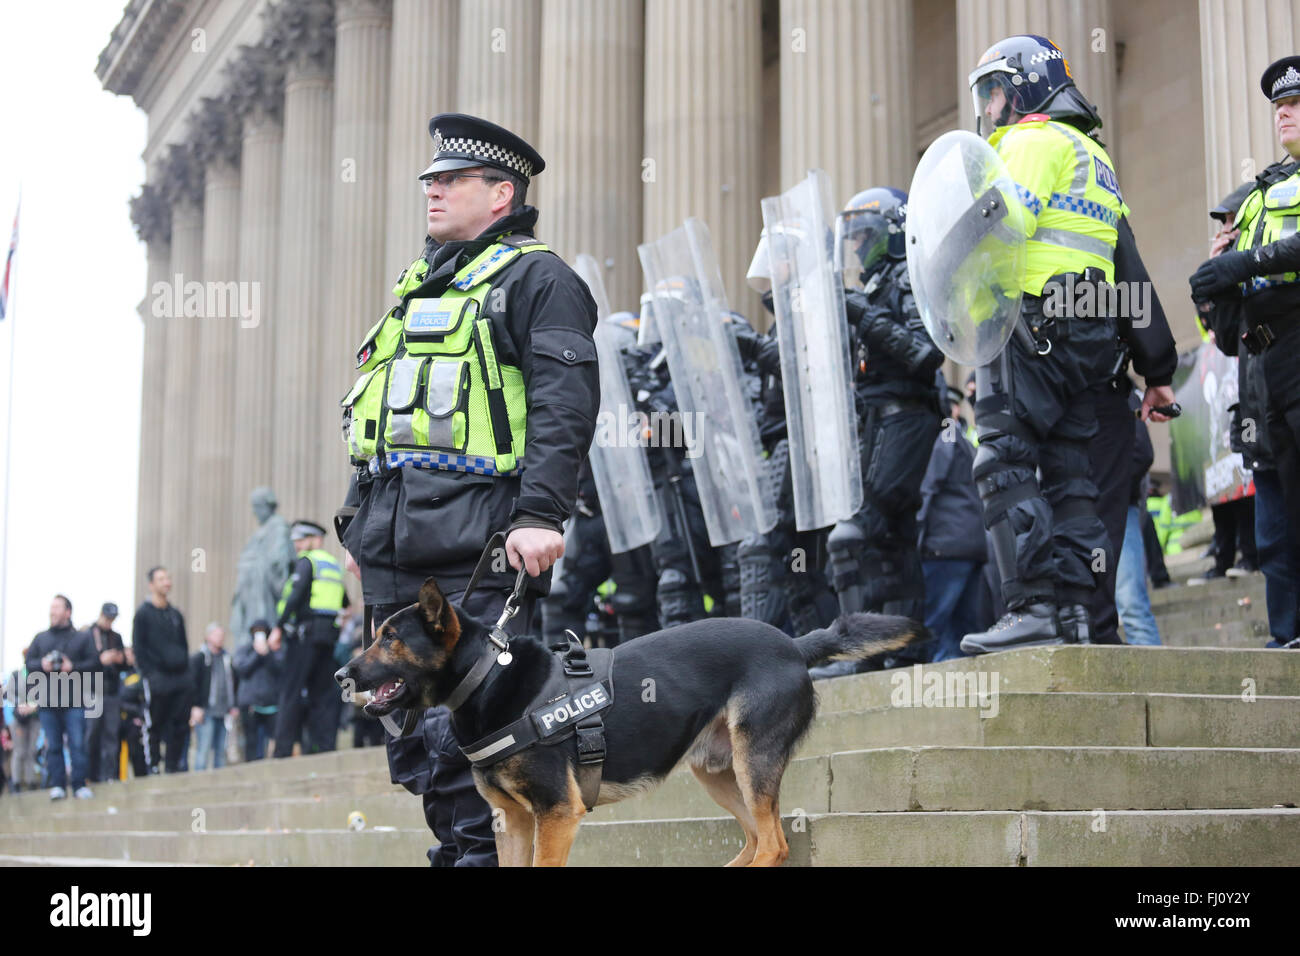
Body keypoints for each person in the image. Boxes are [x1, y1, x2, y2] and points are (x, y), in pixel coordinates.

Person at [337, 112, 599, 866]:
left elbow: (565, 406)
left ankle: (480, 860)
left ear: (501, 193)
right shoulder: (418, 288)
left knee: (474, 732)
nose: (433, 191)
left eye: (451, 180)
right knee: (406, 732)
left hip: (479, 549)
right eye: (431, 179)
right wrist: (361, 529)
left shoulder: (540, 280)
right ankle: (459, 855)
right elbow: (382, 416)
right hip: (395, 547)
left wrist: (542, 511)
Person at [960, 34, 1176, 654]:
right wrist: (1155, 363)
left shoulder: (1029, 140)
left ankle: (1029, 610)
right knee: (1073, 480)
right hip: (1088, 337)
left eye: (996, 92)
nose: (991, 109)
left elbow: (1003, 226)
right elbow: (1128, 264)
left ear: (1027, 88)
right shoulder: (1092, 156)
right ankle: (1080, 622)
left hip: (1029, 327)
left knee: (1002, 461)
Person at [1190, 55, 1300, 604]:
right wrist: (1216, 286)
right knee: (1276, 534)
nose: (1284, 114)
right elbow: (1229, 338)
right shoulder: (1259, 194)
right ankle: (1286, 637)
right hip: (1263, 379)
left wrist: (1244, 265)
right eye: (1280, 106)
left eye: (1296, 104)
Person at [831, 187, 945, 639]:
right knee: (892, 539)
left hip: (905, 416)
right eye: (853, 237)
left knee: (853, 536)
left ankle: (852, 648)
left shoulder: (909, 279)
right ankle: (898, 648)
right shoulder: (875, 286)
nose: (857, 245)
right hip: (876, 420)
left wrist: (863, 316)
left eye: (864, 235)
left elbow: (925, 353)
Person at [917, 385, 989, 661]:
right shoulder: (964, 440)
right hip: (970, 544)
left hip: (945, 545)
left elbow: (929, 486)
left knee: (933, 625)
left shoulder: (943, 436)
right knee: (963, 629)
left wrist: (918, 536)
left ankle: (939, 695)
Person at [269, 521, 348, 757]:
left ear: (315, 539)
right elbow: (345, 604)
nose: (297, 546)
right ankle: (324, 748)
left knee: (291, 692)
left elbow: (295, 596)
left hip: (304, 635)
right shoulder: (332, 565)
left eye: (301, 541)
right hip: (328, 638)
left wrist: (278, 627)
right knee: (323, 695)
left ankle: (282, 751)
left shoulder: (307, 562)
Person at [25, 595, 98, 799]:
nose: (52, 611)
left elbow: (95, 664)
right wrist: (43, 665)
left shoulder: (83, 638)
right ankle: (57, 785)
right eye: (51, 607)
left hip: (75, 701)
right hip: (48, 702)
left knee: (77, 743)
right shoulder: (41, 638)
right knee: (53, 746)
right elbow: (29, 664)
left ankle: (79, 785)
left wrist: (72, 666)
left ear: (68, 612)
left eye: (57, 607)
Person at [132, 566, 191, 773]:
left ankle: (173, 766)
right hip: (157, 678)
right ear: (151, 584)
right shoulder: (143, 614)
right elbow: (139, 648)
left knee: (180, 725)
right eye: (161, 579)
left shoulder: (175, 614)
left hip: (180, 678)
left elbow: (184, 644)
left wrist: (185, 672)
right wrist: (150, 675)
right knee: (154, 723)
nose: (166, 582)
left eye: (168, 578)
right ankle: (153, 765)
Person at [82, 602, 125, 783]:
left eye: (112, 618)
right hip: (92, 691)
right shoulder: (88, 634)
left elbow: (124, 662)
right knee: (92, 734)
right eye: (108, 618)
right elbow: (80, 664)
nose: (109, 622)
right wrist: (100, 660)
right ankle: (89, 775)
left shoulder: (116, 637)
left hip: (112, 691)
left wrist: (120, 658)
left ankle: (109, 775)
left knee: (111, 734)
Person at [233, 618, 284, 761]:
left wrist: (267, 654)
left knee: (274, 738)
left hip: (271, 703)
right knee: (251, 740)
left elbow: (280, 670)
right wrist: (257, 654)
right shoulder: (244, 649)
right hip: (250, 703)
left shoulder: (276, 651)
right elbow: (242, 669)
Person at [190, 623, 238, 770]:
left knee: (221, 753)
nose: (220, 639)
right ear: (208, 637)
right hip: (206, 712)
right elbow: (192, 684)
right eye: (217, 635)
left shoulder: (227, 658)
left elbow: (234, 682)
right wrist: (195, 706)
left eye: (222, 636)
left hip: (224, 712)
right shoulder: (199, 658)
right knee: (203, 751)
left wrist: (233, 705)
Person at [7, 652, 40, 792]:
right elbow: (9, 694)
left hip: (34, 718)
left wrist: (33, 706)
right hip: (18, 720)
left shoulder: (40, 676)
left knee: (31, 751)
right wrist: (21, 705)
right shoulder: (16, 675)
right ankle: (16, 782)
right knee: (20, 751)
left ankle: (31, 781)